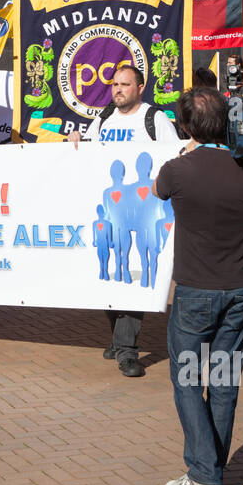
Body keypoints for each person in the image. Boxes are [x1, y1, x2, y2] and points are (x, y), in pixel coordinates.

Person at [156, 88, 243, 485]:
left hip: (196, 291)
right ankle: (211, 465)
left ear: (184, 126)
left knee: (186, 378)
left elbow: (159, 189)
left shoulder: (177, 169)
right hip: (238, 290)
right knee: (223, 380)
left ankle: (204, 470)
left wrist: (185, 155)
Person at [67, 64, 178, 377]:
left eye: (124, 84)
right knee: (110, 274)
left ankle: (127, 351)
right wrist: (77, 142)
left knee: (132, 274)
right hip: (110, 213)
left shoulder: (155, 120)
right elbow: (88, 158)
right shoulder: (102, 118)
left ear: (140, 88)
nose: (117, 89)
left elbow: (173, 160)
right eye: (114, 84)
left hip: (143, 215)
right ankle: (119, 338)